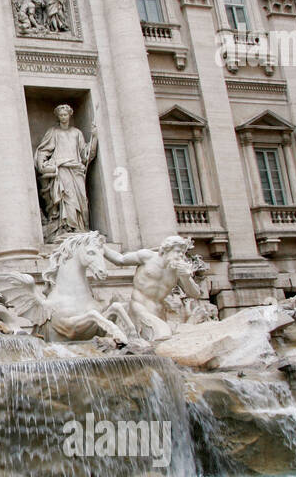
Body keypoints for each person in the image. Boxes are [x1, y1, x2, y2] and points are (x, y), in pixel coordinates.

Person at [103, 235, 205, 340]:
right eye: (177, 251)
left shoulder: (178, 270)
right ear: (166, 249)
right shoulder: (147, 257)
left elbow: (195, 294)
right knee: (162, 334)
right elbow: (119, 259)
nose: (180, 255)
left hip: (159, 313)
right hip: (139, 308)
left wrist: (186, 277)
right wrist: (101, 246)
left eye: (182, 253)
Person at [34, 104, 96, 237]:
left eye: (65, 115)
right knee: (68, 198)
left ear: (70, 115)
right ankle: (68, 227)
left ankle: (81, 227)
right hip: (62, 168)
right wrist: (42, 164)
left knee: (82, 200)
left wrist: (94, 138)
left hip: (76, 169)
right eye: (61, 115)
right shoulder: (53, 132)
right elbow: (43, 150)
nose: (63, 117)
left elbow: (85, 153)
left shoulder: (77, 133)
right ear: (58, 116)